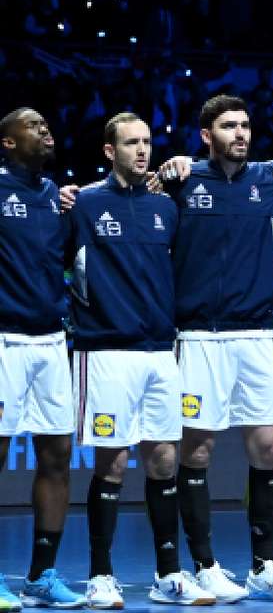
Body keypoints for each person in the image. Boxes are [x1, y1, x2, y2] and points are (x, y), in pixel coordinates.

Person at [156, 95, 273, 601]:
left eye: (245, 125)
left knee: (269, 448)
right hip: (199, 336)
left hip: (256, 337)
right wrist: (169, 164)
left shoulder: (271, 179)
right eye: (228, 126)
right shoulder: (182, 181)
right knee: (197, 448)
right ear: (206, 134)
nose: (240, 133)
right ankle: (204, 565)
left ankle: (263, 566)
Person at [66, 113, 214, 607]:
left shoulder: (165, 208)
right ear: (110, 151)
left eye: (147, 142)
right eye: (131, 143)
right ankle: (100, 575)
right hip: (106, 351)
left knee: (165, 459)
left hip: (160, 351)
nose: (142, 150)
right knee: (111, 462)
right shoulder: (83, 204)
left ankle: (169, 573)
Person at [0, 109, 84, 609]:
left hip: (52, 341)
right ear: (7, 142)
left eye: (48, 124)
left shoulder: (58, 196)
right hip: (3, 339)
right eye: (33, 126)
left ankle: (41, 575)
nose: (46, 129)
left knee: (56, 457)